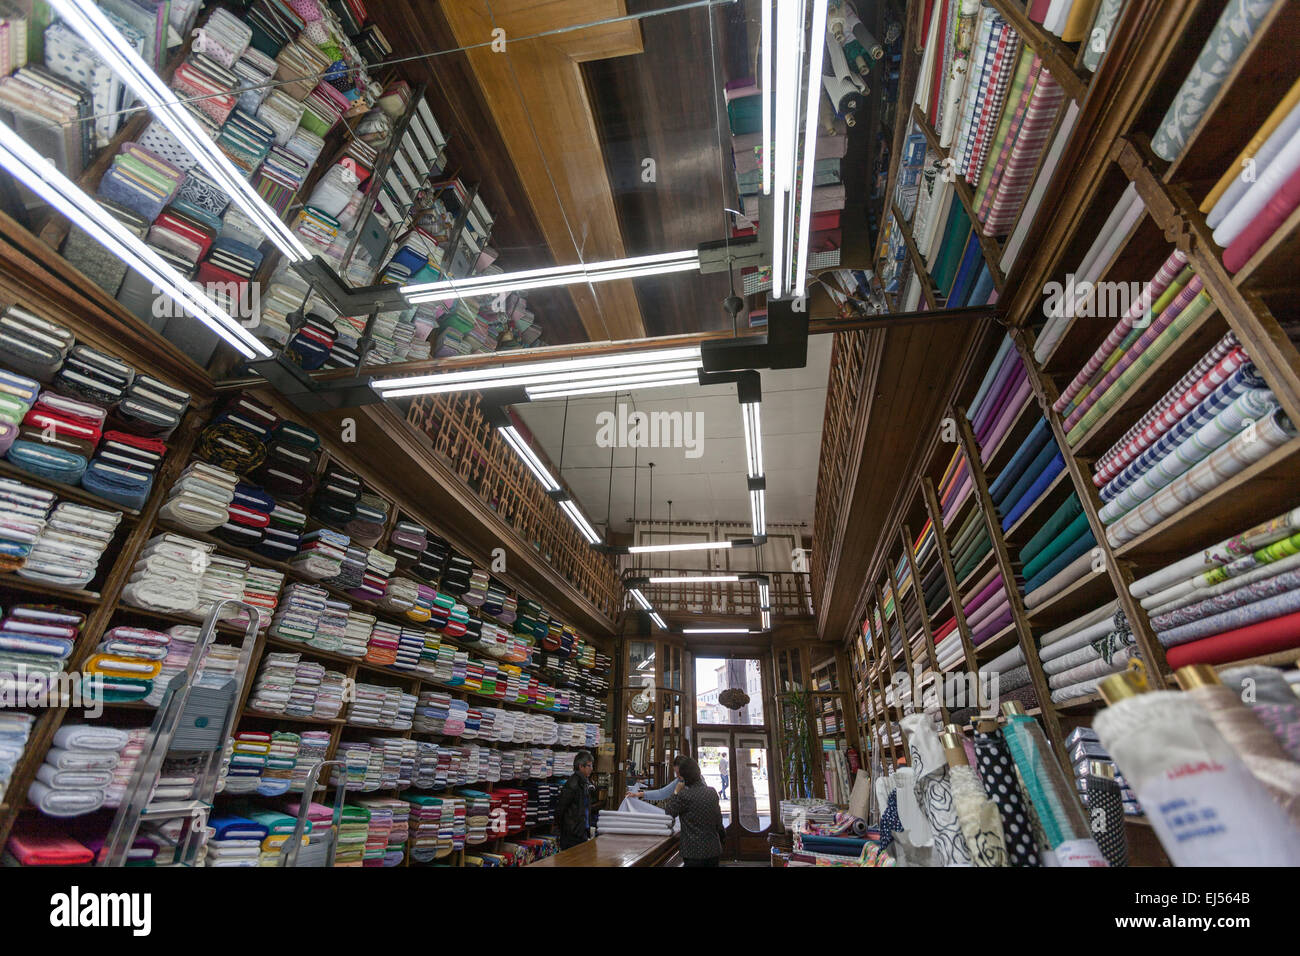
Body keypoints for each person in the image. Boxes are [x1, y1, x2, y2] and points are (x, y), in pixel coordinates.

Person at [661, 756, 726, 867]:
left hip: (693, 852)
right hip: (713, 849)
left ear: (684, 776)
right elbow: (718, 821)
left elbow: (669, 812)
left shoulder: (684, 795)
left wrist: (676, 792)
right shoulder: (712, 792)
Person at [555, 750, 594, 850]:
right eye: (589, 766)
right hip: (572, 834)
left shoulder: (584, 783)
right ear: (581, 766)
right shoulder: (572, 784)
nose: (591, 769)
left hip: (581, 831)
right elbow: (560, 809)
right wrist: (566, 829)